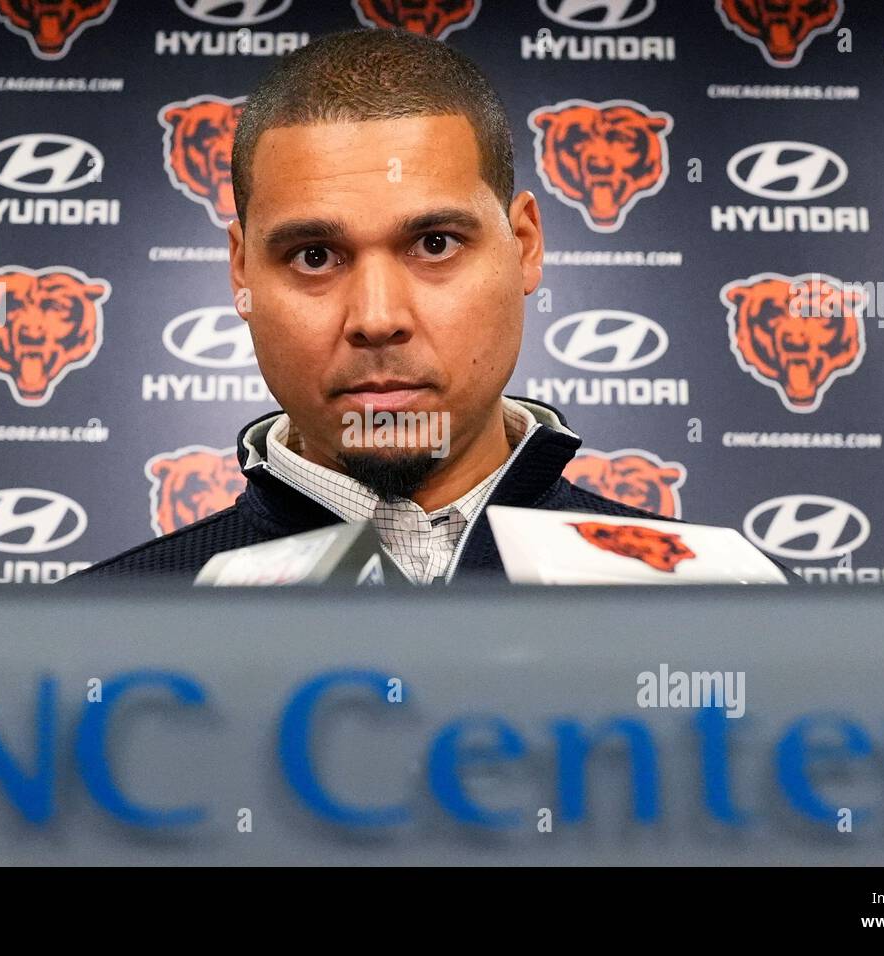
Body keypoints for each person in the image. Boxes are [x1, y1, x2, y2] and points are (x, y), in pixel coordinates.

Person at [73, 27, 727, 586]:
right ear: (242, 270)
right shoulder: (88, 641)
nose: (377, 317)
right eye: (315, 256)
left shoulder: (725, 609)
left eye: (434, 244)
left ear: (524, 246)